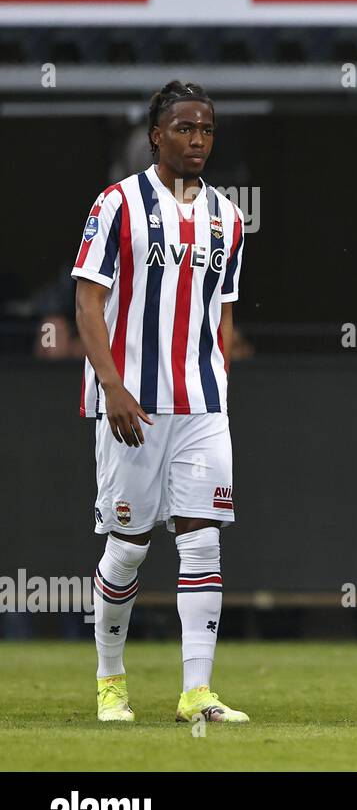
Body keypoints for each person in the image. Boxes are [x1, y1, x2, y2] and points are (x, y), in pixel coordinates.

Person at [75, 81, 249, 724]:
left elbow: (222, 310)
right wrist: (111, 384)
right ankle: (110, 681)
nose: (196, 139)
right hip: (132, 403)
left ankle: (197, 693)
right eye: (183, 128)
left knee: (203, 541)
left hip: (202, 404)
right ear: (156, 135)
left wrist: (221, 385)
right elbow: (88, 300)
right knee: (129, 544)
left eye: (205, 129)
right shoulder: (117, 204)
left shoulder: (229, 216)